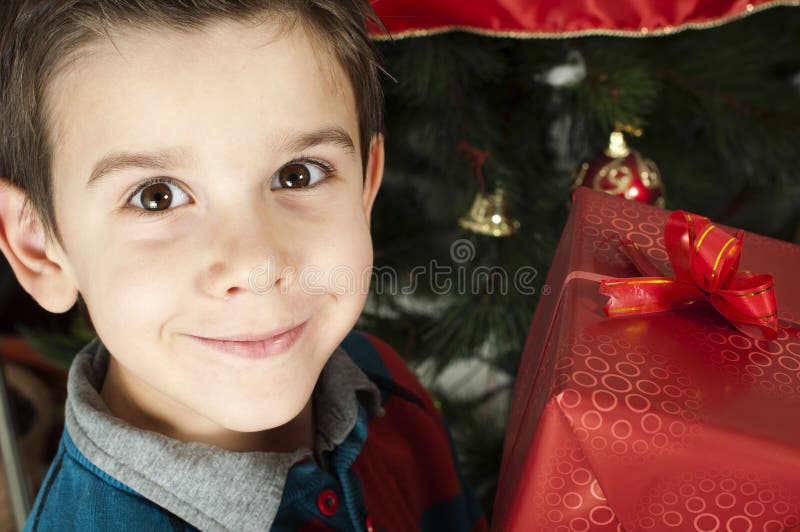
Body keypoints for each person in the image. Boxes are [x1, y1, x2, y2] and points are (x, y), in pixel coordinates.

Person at [0, 1, 487, 530]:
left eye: (298, 175)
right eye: (157, 197)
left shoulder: (381, 379)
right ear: (40, 249)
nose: (257, 264)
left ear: (366, 187)